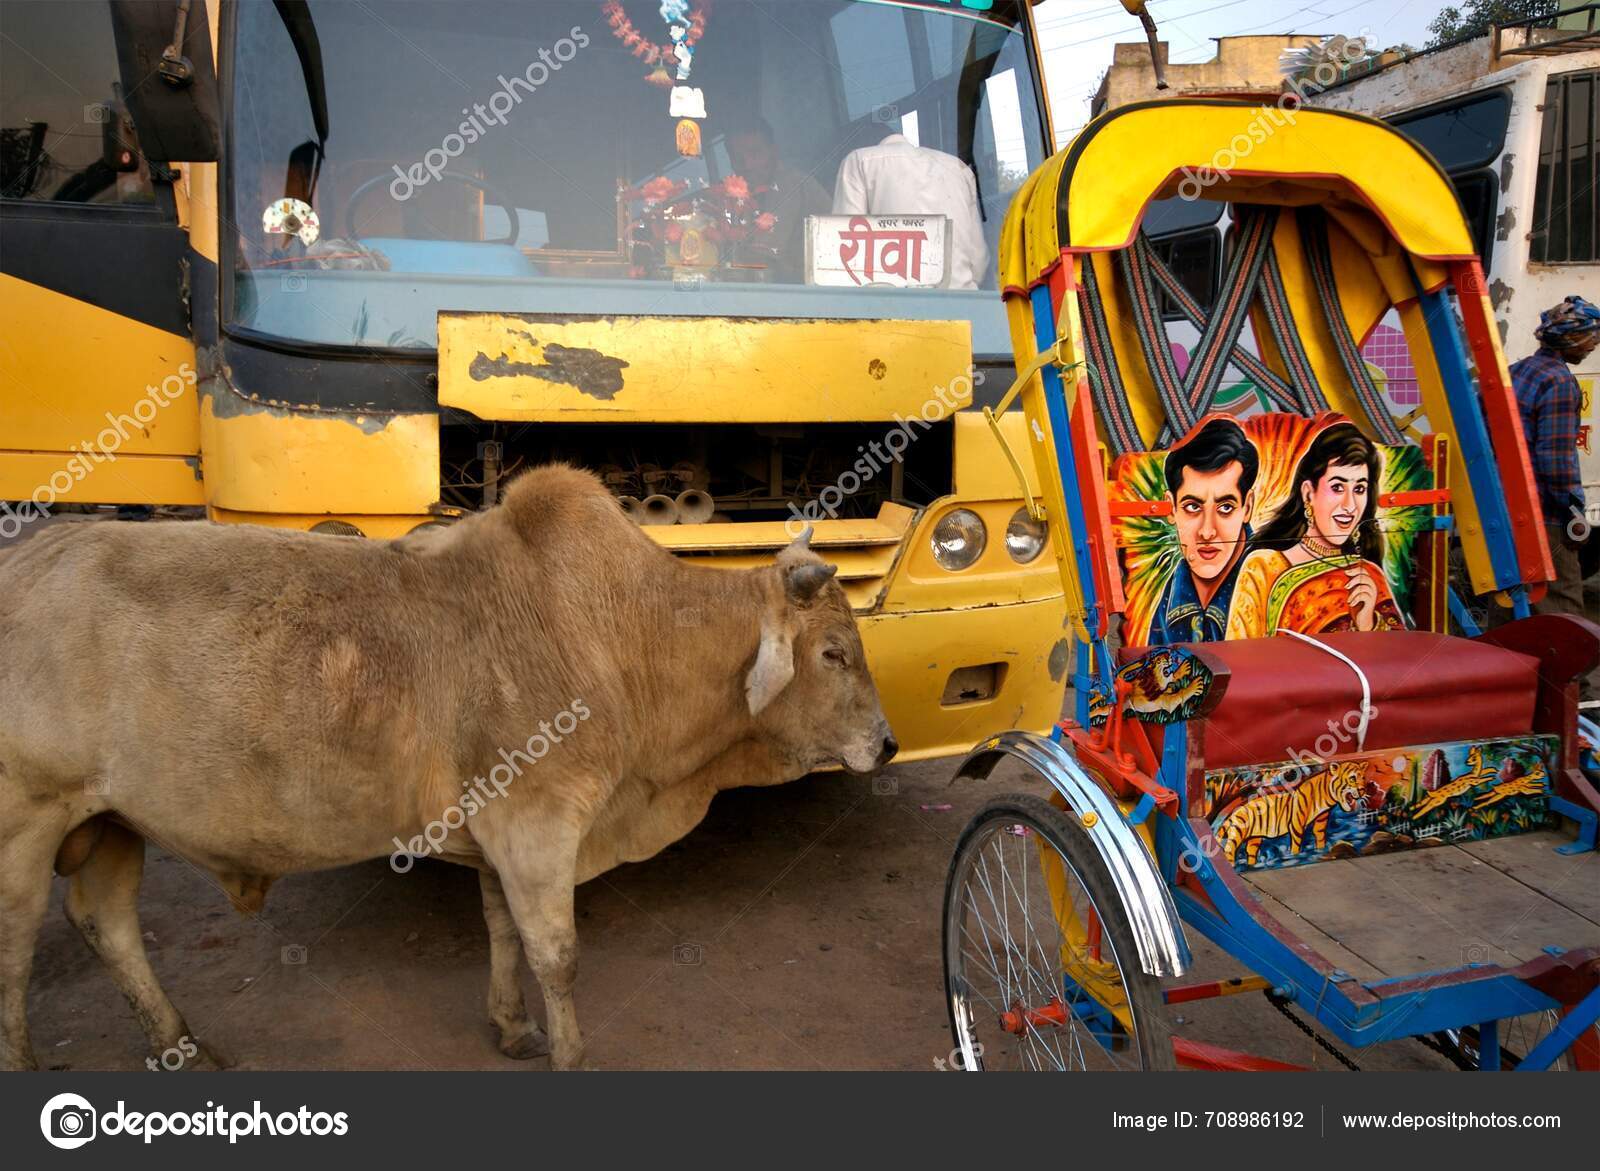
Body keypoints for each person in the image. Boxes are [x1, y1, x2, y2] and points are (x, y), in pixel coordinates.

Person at [1225, 421, 1404, 639]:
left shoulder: (1368, 575)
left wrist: (1368, 623)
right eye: (1337, 487)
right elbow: (1243, 658)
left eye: (1359, 489)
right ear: (1309, 492)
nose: (1350, 505)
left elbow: (1397, 659)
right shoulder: (1264, 568)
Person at [1509, 295, 1600, 618]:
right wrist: (1574, 512)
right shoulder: (1560, 381)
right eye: (1592, 338)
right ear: (1572, 339)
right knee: (1561, 605)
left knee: (1510, 601)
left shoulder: (1517, 371)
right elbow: (1556, 461)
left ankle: (1509, 665)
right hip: (1544, 513)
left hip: (1506, 507)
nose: (1593, 347)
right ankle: (1562, 670)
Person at [1146, 417, 1258, 645]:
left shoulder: (1267, 582)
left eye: (1225, 508)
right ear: (1171, 507)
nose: (1207, 532)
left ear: (1247, 507)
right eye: (1192, 507)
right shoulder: (1172, 595)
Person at [832, 128, 987, 290]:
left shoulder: (858, 160)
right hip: (963, 306)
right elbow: (979, 262)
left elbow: (845, 260)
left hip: (891, 307)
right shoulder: (958, 168)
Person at [724, 115, 832, 283]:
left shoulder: (788, 184)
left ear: (773, 151)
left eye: (755, 153)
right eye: (738, 157)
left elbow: (761, 259)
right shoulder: (744, 194)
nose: (747, 164)